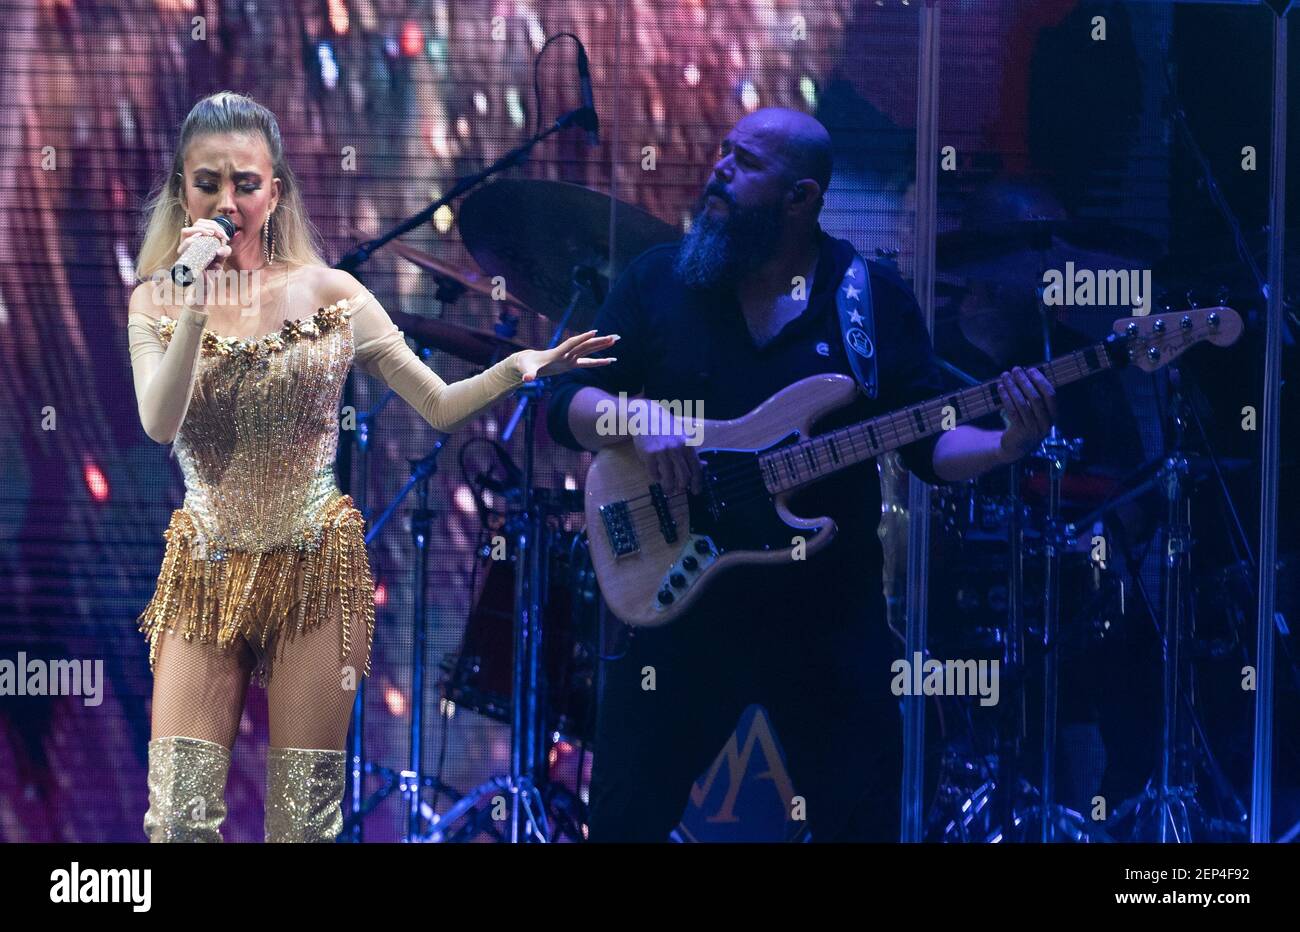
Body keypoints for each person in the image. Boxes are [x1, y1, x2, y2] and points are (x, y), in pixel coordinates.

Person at [546, 107, 1057, 841]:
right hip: (682, 608)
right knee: (626, 820)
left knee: (862, 823)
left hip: (826, 614)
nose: (719, 168)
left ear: (801, 199)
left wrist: (1006, 444)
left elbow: (928, 446)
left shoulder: (869, 299)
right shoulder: (658, 281)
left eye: (746, 163)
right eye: (723, 151)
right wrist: (635, 419)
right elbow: (560, 403)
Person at [127, 92, 616, 843]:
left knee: (303, 824)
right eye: (207, 183)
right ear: (181, 192)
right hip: (207, 562)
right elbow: (160, 423)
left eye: (246, 184)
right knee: (178, 819)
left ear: (275, 191)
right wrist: (195, 299)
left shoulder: (333, 293)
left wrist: (519, 367)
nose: (228, 203)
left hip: (316, 569)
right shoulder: (157, 301)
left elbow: (441, 405)